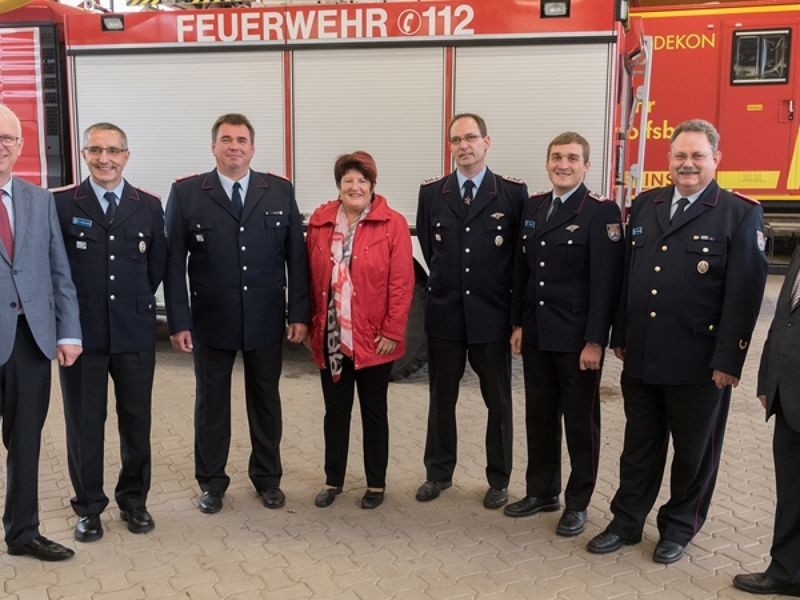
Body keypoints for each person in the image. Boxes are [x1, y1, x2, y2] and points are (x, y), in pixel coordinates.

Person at [587, 119, 768, 564]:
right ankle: (627, 521)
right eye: (680, 156)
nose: (688, 164)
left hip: (700, 363)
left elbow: (745, 296)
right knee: (638, 447)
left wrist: (730, 360)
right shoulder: (647, 204)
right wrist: (622, 336)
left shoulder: (739, 213)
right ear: (668, 161)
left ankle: (679, 527)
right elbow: (629, 279)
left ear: (716, 160)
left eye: (697, 156)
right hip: (643, 356)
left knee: (693, 454)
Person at [164, 113, 309, 514]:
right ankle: (211, 483)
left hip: (265, 320)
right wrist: (179, 320)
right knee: (212, 406)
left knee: (266, 402)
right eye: (226, 139)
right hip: (212, 322)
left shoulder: (278, 191)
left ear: (253, 148)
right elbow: (173, 262)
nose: (234, 147)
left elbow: (295, 257)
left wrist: (298, 313)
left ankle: (268, 479)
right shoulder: (188, 193)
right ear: (213, 147)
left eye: (241, 140)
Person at [505, 132, 624, 536]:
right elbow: (522, 272)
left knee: (580, 423)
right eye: (556, 157)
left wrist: (595, 341)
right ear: (547, 162)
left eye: (573, 158)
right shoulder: (535, 208)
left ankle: (578, 502)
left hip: (577, 341)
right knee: (539, 417)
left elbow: (605, 283)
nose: (563, 164)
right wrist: (519, 324)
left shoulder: (600, 212)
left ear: (587, 166)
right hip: (537, 333)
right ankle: (541, 492)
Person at [54, 122, 167, 542]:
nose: (105, 159)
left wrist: (133, 303)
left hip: (134, 333)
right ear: (84, 154)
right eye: (96, 150)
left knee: (136, 422)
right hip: (81, 338)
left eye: (114, 151)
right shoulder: (63, 204)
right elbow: (56, 269)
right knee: (84, 425)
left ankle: (134, 502)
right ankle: (88, 508)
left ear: (127, 155)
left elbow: (157, 265)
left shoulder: (149, 205)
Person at [415, 112, 527, 508]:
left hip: (491, 318)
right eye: (457, 139)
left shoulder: (512, 194)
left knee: (498, 401)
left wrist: (516, 319)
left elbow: (519, 260)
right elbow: (432, 251)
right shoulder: (432, 193)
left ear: (487, 142)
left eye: (472, 138)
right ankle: (438, 473)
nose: (464, 145)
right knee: (440, 399)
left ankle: (498, 479)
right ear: (450, 146)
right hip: (446, 315)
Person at [306, 151, 413, 510]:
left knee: (374, 411)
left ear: (372, 185)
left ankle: (376, 484)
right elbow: (309, 278)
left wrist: (392, 331)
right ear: (339, 186)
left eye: (362, 180)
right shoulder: (320, 223)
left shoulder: (392, 223)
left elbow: (401, 282)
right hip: (332, 336)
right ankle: (332, 479)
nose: (355, 186)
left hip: (373, 339)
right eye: (348, 180)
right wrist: (310, 325)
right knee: (334, 412)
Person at [0, 103, 82, 560]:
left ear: (20, 146)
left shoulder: (39, 199)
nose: (1, 147)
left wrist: (68, 333)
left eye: (7, 139)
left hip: (30, 343)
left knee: (26, 443)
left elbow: (58, 272)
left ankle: (22, 532)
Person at [733, 245, 800, 596]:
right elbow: (783, 318)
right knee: (791, 493)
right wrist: (767, 378)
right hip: (789, 393)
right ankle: (786, 571)